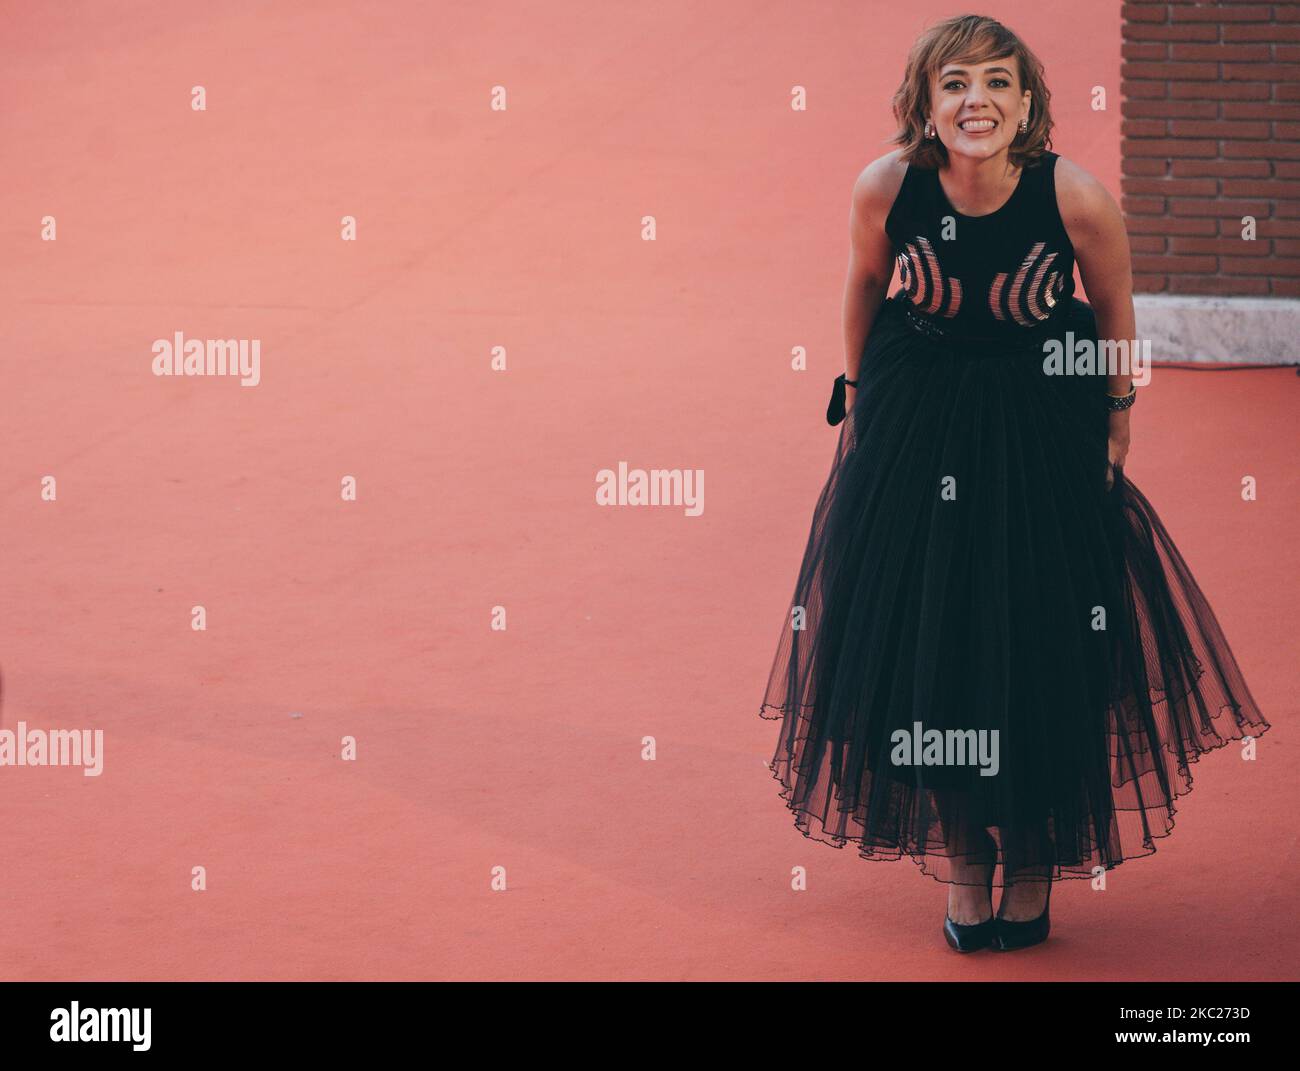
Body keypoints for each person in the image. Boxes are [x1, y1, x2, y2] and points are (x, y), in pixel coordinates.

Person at [758, 14, 1270, 953]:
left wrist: (1116, 416)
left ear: (1027, 101)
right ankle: (964, 851)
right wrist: (862, 395)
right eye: (955, 83)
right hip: (920, 409)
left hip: (1041, 414)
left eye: (997, 83)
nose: (976, 101)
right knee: (929, 628)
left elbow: (1114, 306)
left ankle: (1032, 847)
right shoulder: (886, 186)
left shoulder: (1074, 196)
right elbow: (865, 286)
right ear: (925, 101)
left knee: (1038, 624)